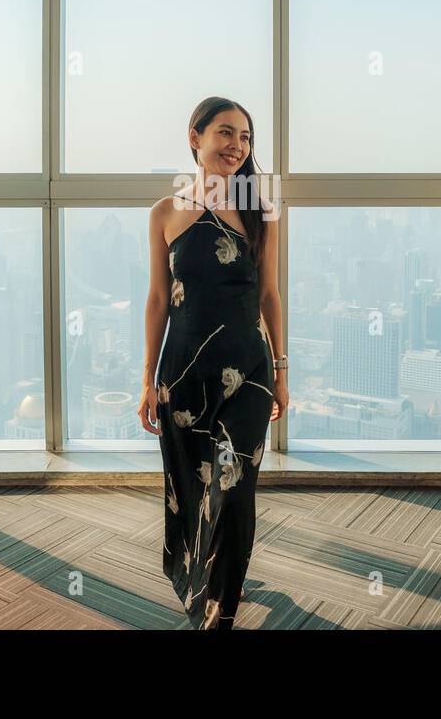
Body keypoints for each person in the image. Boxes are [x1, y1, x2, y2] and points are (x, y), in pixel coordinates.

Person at [137, 96, 289, 629]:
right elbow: (158, 302)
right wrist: (147, 381)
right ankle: (215, 572)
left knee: (235, 482)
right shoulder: (164, 213)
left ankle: (220, 605)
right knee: (192, 483)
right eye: (226, 133)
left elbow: (269, 295)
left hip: (248, 369)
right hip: (183, 372)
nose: (237, 146)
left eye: (245, 137)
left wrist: (282, 370)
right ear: (194, 137)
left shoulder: (259, 211)